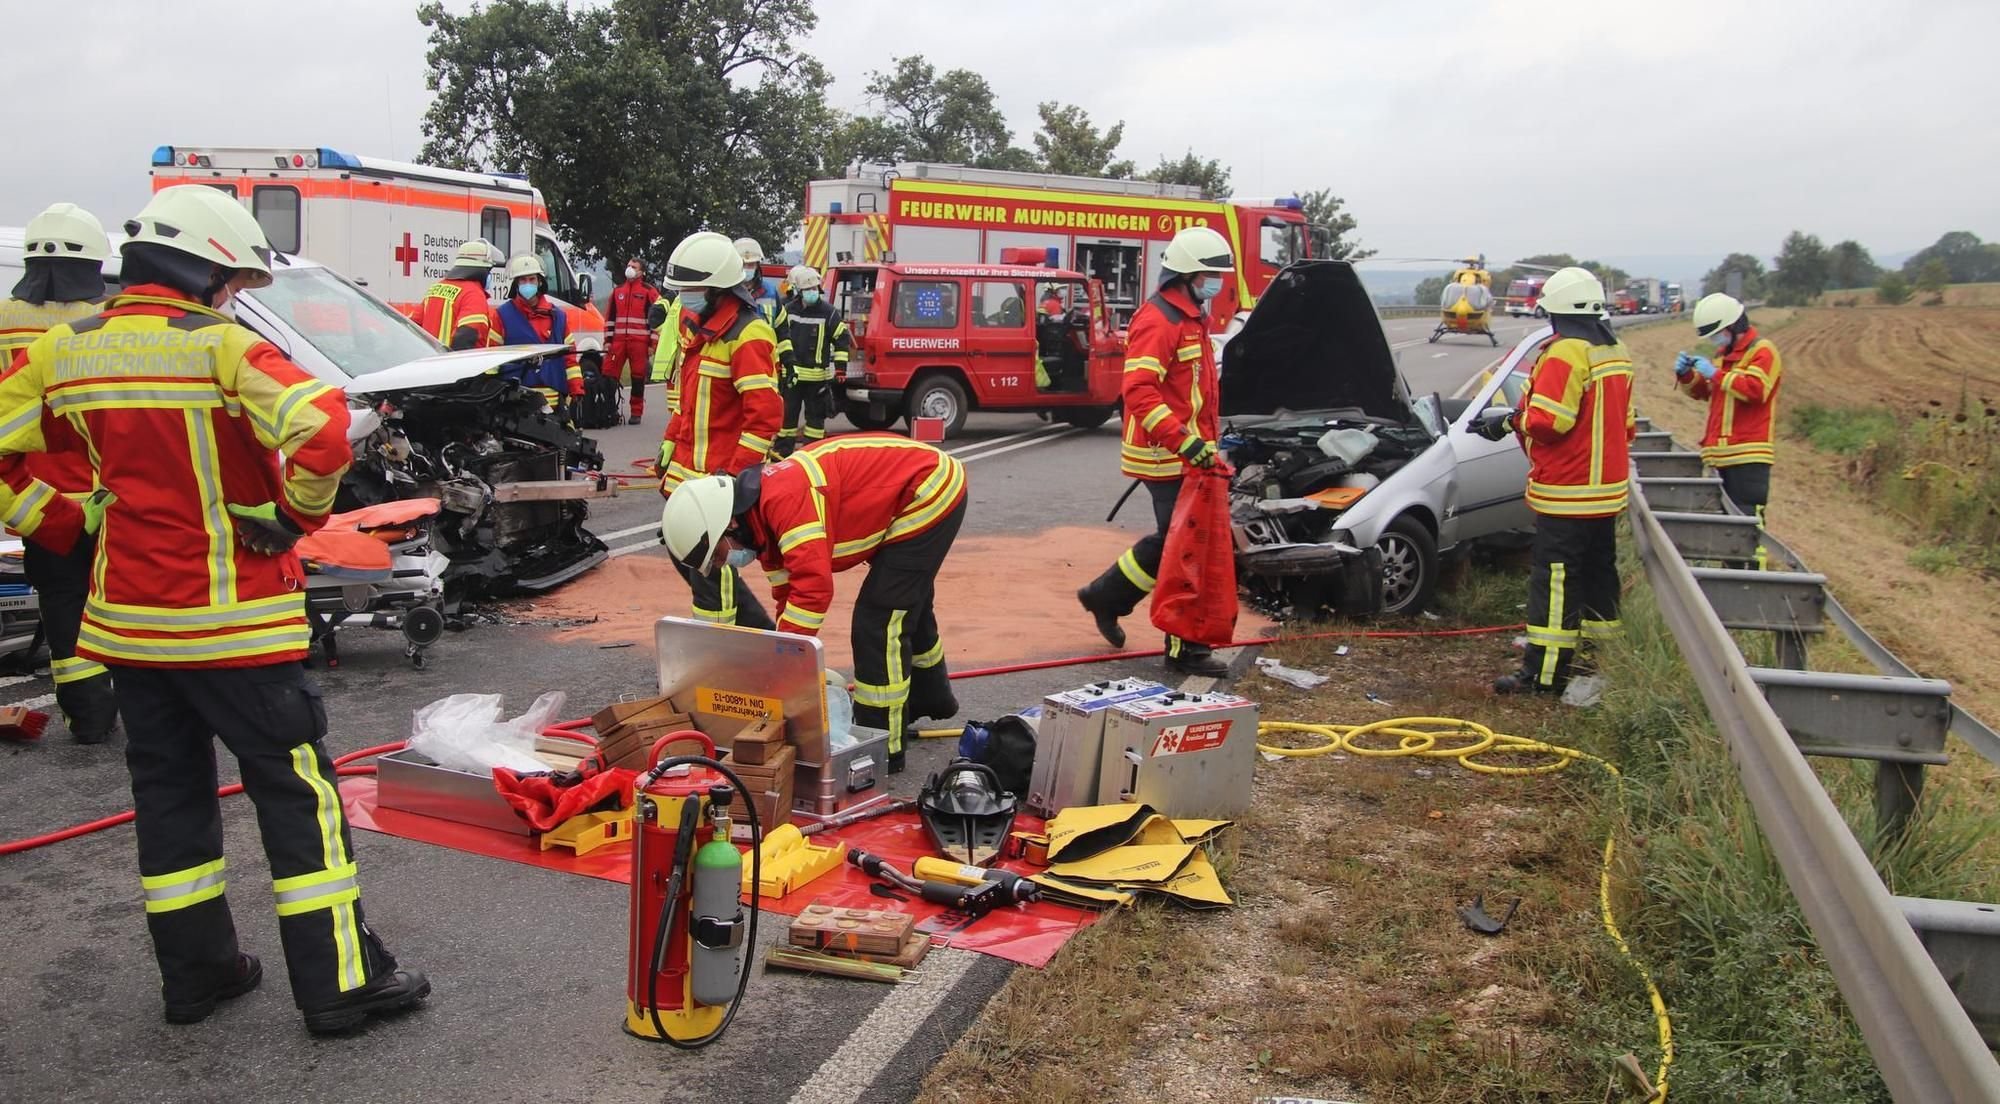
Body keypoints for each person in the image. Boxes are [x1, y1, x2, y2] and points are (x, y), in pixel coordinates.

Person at [0, 185, 429, 1032]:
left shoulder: (62, 351)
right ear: (197, 268)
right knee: (296, 799)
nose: (232, 296)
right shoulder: (220, 348)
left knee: (169, 799)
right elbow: (324, 430)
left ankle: (198, 978)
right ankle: (339, 985)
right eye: (228, 281)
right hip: (236, 625)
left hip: (129, 629)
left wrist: (67, 522)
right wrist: (296, 518)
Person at [660, 435, 966, 773]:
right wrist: (786, 660)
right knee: (906, 602)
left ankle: (885, 745)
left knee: (879, 619)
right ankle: (931, 696)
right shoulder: (762, 529)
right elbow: (788, 600)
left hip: (930, 489)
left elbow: (814, 589)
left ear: (729, 524)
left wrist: (788, 670)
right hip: (909, 488)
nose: (726, 563)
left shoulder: (784, 500)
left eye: (719, 555)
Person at [1075, 226, 1236, 678]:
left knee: (1175, 542)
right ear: (1185, 275)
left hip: (1189, 453)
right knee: (1188, 548)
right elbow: (1140, 393)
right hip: (1166, 455)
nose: (1217, 282)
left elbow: (1194, 392)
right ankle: (1185, 649)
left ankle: (1106, 596)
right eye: (1211, 274)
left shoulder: (1190, 317)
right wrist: (1185, 442)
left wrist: (1209, 442)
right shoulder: (1159, 320)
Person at [1470, 266, 1635, 693]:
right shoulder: (1614, 352)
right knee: (1600, 577)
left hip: (1568, 491)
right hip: (1605, 494)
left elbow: (1550, 422)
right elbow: (1627, 426)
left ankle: (1542, 678)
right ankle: (1601, 663)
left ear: (1555, 313)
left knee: (1556, 583)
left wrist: (1508, 421)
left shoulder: (1566, 353)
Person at [0, 202, 120, 742]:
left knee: (62, 604)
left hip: (36, 500)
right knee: (127, 601)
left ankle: (87, 716)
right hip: (111, 496)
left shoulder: (4, 322)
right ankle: (147, 711)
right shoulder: (109, 324)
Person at [657, 231, 783, 630]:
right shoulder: (701, 325)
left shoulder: (747, 334)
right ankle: (759, 639)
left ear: (715, 288)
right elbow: (690, 402)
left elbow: (763, 417)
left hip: (721, 480)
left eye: (690, 289)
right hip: (692, 476)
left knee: (711, 578)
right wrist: (668, 446)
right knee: (683, 552)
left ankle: (722, 659)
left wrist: (734, 482)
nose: (684, 296)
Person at [1676, 292, 1782, 567]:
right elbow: (1705, 392)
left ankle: (1753, 579)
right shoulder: (1724, 356)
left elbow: (1755, 390)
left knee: (1747, 524)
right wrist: (1687, 375)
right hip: (1721, 455)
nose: (1716, 341)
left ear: (1733, 327)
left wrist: (1716, 374)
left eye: (1718, 334)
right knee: (1727, 529)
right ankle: (1734, 574)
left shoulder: (1763, 351)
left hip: (1748, 456)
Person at [773, 265, 850, 456]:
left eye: (814, 289)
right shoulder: (788, 310)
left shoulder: (829, 312)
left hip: (817, 380)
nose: (812, 293)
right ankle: (782, 457)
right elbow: (778, 337)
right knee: (787, 421)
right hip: (792, 377)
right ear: (799, 291)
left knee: (815, 422)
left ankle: (811, 457)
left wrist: (840, 369)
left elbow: (842, 338)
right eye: (808, 290)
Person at [493, 254, 582, 408]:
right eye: (523, 280)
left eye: (532, 279)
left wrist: (577, 390)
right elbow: (492, 359)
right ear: (516, 284)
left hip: (553, 403)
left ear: (540, 281)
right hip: (515, 403)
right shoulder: (502, 315)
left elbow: (570, 359)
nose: (528, 284)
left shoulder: (558, 317)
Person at [415, 238, 502, 350]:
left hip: (428, 360)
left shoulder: (436, 288)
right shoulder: (473, 294)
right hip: (451, 364)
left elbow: (411, 325)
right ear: (483, 270)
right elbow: (467, 335)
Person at [605, 257, 661, 425]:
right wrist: (607, 340)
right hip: (618, 343)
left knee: (637, 377)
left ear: (641, 272)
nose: (629, 268)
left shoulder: (649, 291)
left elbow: (658, 320)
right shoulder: (617, 291)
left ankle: (636, 412)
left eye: (634, 266)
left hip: (640, 343)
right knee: (608, 374)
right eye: (629, 265)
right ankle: (609, 410)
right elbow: (610, 318)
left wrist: (653, 344)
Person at [733, 237, 779, 326]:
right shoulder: (726, 292)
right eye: (743, 265)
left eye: (750, 264)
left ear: (757, 265)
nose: (746, 268)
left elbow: (782, 330)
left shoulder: (771, 292)